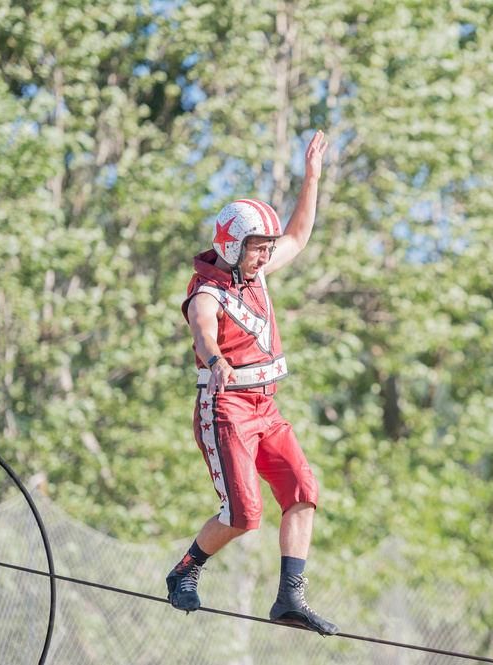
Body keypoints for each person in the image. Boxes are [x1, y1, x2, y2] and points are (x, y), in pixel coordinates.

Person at [165, 130, 338, 636]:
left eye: (266, 248)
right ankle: (184, 571)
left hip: (267, 411)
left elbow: (301, 237)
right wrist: (214, 357)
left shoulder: (255, 275)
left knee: (303, 490)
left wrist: (312, 178)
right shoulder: (207, 294)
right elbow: (201, 329)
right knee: (244, 514)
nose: (266, 256)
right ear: (232, 245)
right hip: (227, 412)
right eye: (258, 248)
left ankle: (289, 598)